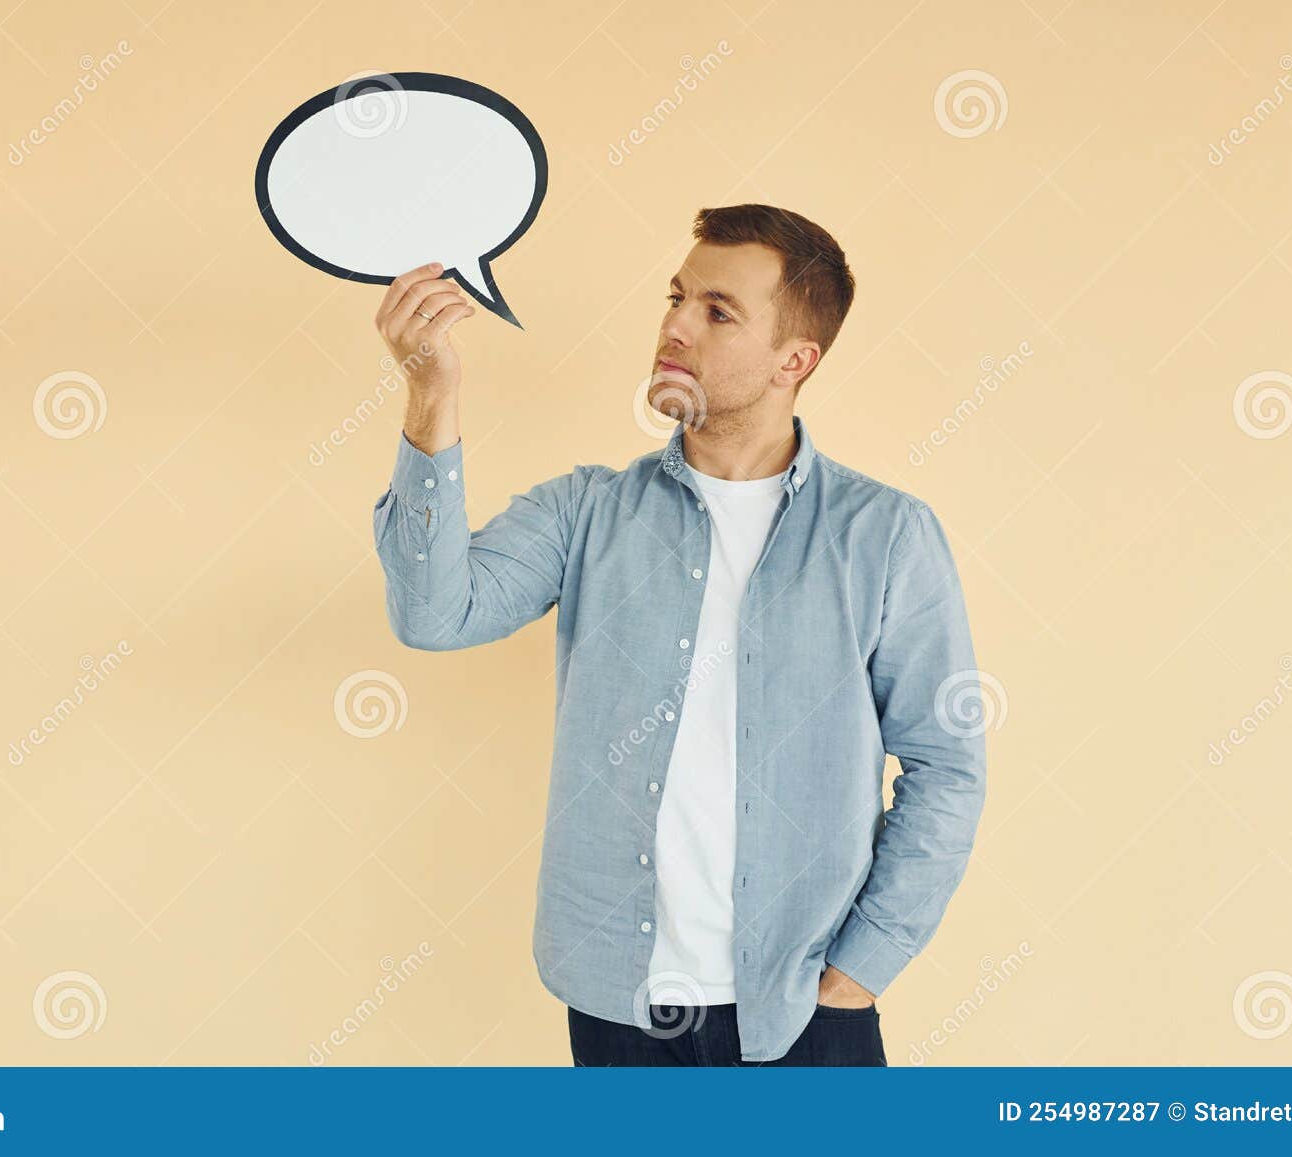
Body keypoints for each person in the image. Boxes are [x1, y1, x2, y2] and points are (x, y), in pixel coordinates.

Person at [371, 204, 987, 1066]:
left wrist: (861, 968)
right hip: (619, 1004)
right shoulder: (587, 510)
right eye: (676, 296)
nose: (674, 324)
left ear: (795, 360)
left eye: (716, 310)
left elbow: (946, 764)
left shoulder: (884, 535)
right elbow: (435, 614)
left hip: (806, 1009)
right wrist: (430, 394)